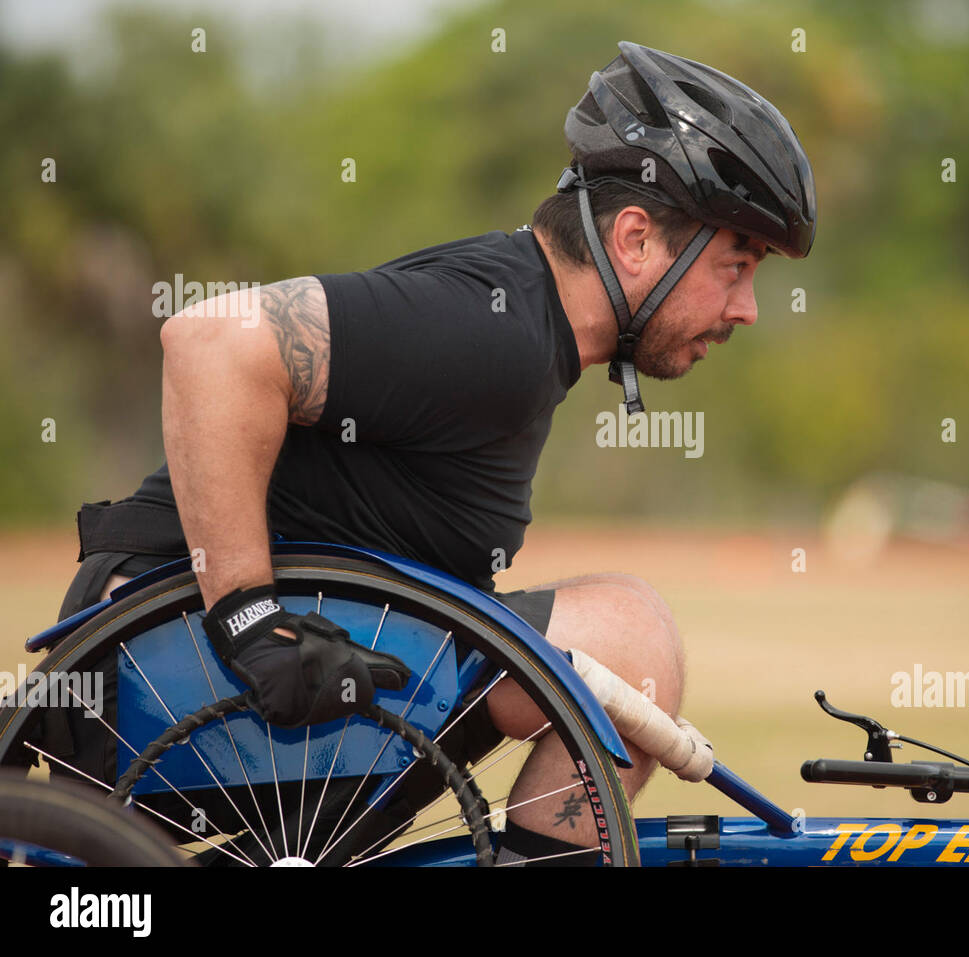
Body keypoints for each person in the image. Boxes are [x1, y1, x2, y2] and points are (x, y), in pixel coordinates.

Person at [50, 40, 816, 865]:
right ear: (634, 240)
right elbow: (209, 344)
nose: (746, 310)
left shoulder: (527, 330)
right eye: (736, 267)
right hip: (156, 672)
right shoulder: (493, 327)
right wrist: (248, 619)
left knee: (627, 644)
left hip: (222, 674)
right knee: (631, 638)